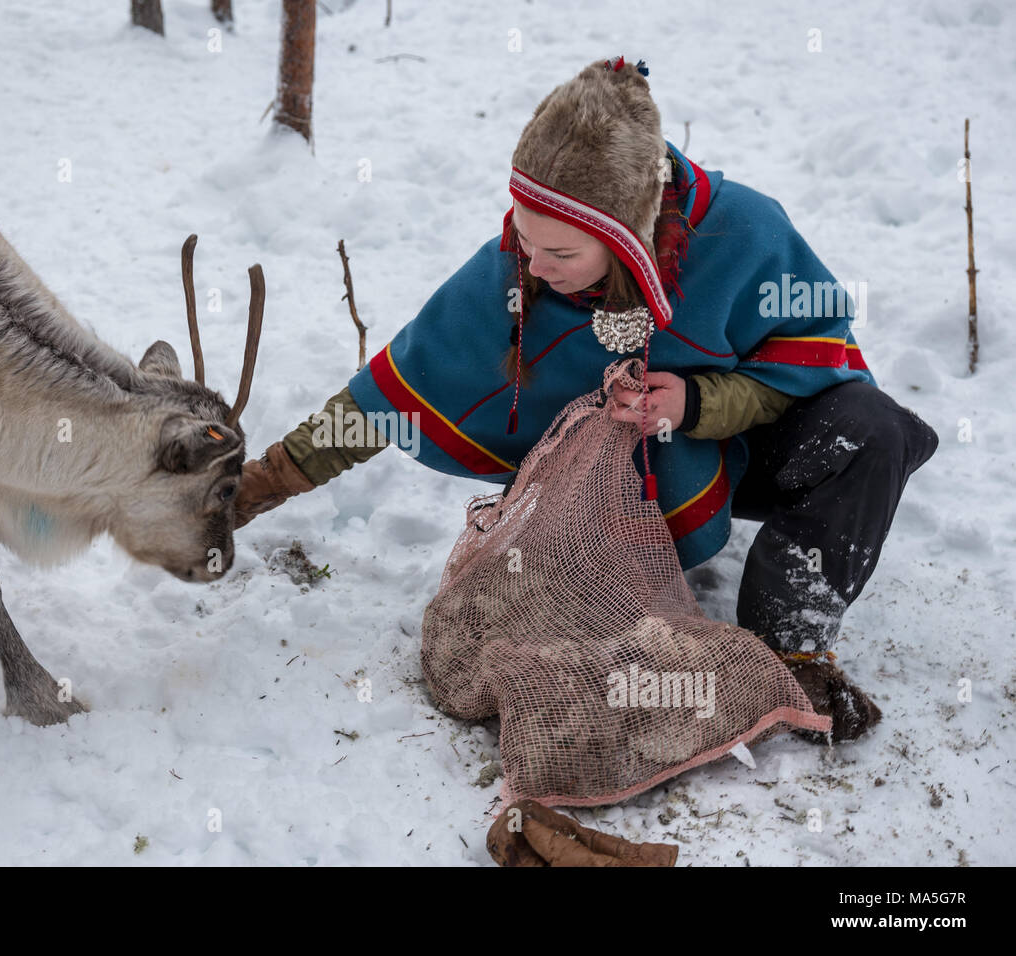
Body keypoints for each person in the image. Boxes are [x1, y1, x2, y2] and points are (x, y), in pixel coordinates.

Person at [235, 56, 938, 742]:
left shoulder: (745, 233)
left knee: (874, 431)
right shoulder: (520, 266)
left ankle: (788, 651)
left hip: (749, 441)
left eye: (562, 254)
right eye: (524, 236)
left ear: (626, 237)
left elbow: (814, 357)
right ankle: (630, 580)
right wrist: (260, 483)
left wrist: (698, 403)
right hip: (630, 480)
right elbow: (387, 397)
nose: (534, 264)